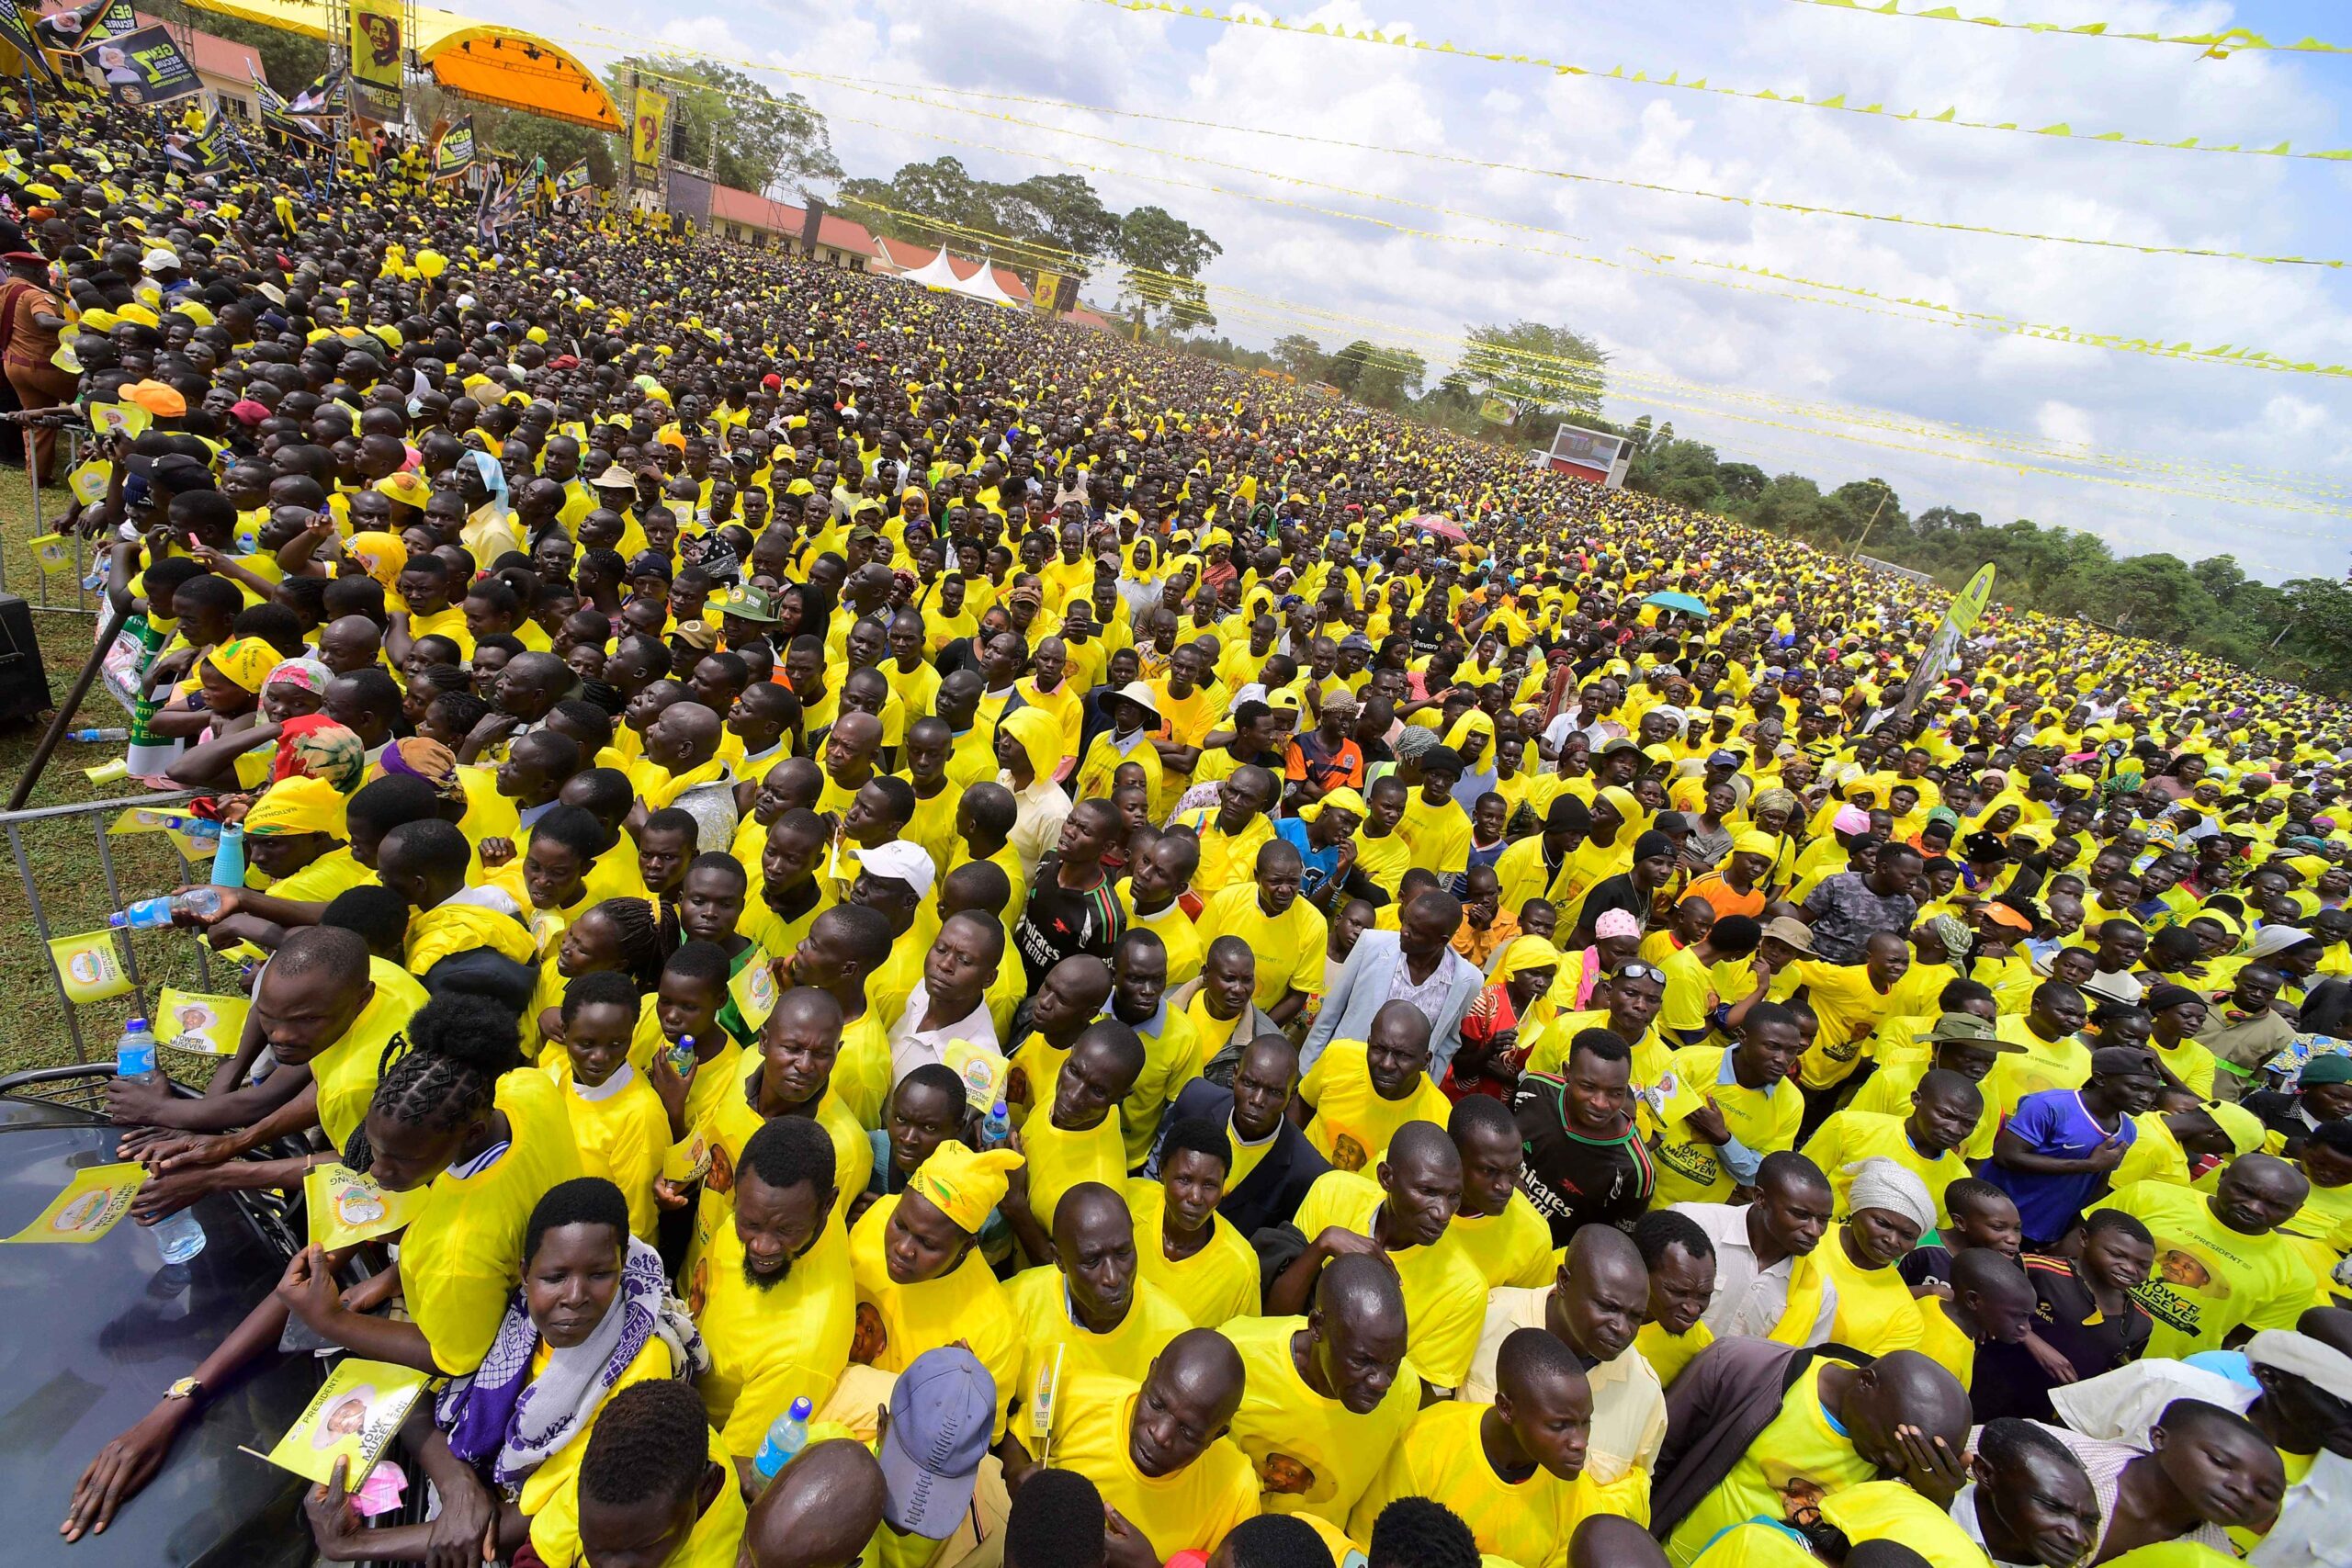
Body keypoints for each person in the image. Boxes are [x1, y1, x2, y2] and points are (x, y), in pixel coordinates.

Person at [1653, 1343, 1973, 1567]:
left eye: (1908, 1455)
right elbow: (1653, 1459)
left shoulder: (1895, 1471)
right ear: (1865, 1382)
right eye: (1893, 1443)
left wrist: (1932, 1498)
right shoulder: (1750, 1369)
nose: (1892, 1461)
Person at [1462, 1224, 1668, 1520]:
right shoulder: (1487, 1317)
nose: (1622, 1328)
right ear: (1564, 1282)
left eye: (1635, 1316)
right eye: (1607, 1307)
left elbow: (1627, 1502)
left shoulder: (1646, 1397)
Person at [690, 1116, 854, 1488]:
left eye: (784, 1231)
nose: (762, 1246)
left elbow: (728, 1467)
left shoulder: (801, 1350)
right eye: (748, 1223)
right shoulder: (804, 1209)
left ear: (827, 1205)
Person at [1348, 1327, 1599, 1566]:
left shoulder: (1578, 1497)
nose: (1580, 1442)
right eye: (1559, 1426)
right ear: (1506, 1408)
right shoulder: (1425, 1443)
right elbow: (1370, 1551)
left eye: (1585, 1422)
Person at [1273, 1120, 1489, 1392]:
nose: (1443, 1213)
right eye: (1428, 1192)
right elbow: (1274, 1316)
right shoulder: (1334, 1193)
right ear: (1386, 1178)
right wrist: (1322, 1245)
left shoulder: (1465, 1289)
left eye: (1454, 1196)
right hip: (1282, 1372)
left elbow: (1413, 1394)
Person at [1012, 1330, 1257, 1562]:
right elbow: (1017, 1440)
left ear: (1217, 1435)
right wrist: (1018, 1475)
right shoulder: (1078, 1397)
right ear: (1150, 1373)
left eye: (1187, 1431)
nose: (1161, 1436)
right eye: (1157, 1404)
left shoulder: (1236, 1490)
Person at [1219, 1252, 1421, 1525]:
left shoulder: (1405, 1389)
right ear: (1317, 1327)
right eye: (1363, 1361)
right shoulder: (1237, 1354)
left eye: (1394, 1362)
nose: (1382, 1381)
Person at [848, 1141, 1024, 1440]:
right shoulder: (878, 1217)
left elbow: (978, 1440)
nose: (903, 1249)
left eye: (927, 1244)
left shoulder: (993, 1329)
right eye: (900, 1225)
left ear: (967, 1247)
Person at [2094, 1155, 2316, 1359]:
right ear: (2222, 1176)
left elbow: (2239, 1347)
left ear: (2297, 1210)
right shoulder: (2148, 1196)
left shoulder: (2294, 1278)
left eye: (2275, 1205)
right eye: (2246, 1192)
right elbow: (2075, 1246)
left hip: (2154, 1378)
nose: (2254, 1207)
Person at [1987, 1045, 2166, 1249]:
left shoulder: (2128, 1130)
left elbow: (2099, 1183)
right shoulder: (2048, 1106)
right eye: (2135, 1088)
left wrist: (2073, 1233)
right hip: (1996, 1219)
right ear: (2100, 1079)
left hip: (2048, 1232)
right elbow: (2006, 1156)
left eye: (2153, 1092)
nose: (2146, 1098)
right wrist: (2088, 1165)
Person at [1152, 1033, 1332, 1235]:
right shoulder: (1195, 1101)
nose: (1257, 1100)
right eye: (1249, 1083)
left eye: (1274, 1092)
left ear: (1291, 1097)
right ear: (1234, 1075)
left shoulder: (1306, 1171)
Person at [1304, 888, 1484, 1082]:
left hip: (1397, 1092)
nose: (1404, 931)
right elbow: (1330, 1013)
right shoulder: (1371, 944)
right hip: (1341, 1073)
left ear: (1441, 941)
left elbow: (1448, 1042)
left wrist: (1427, 1085)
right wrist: (1305, 1071)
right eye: (1406, 921)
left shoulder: (1467, 980)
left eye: (1416, 931)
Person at [1673, 1151, 1839, 1346]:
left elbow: (1796, 1365)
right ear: (1760, 1198)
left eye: (1823, 1220)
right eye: (1800, 1214)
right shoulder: (1691, 1226)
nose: (1814, 1231)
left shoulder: (1820, 1295)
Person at [1516, 1027, 1657, 1243]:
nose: (1601, 1103)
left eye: (1615, 1092)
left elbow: (1612, 1243)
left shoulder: (1636, 1171)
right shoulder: (1535, 1088)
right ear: (1567, 1073)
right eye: (1588, 1087)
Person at [1129, 1118, 1262, 1328]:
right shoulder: (1130, 1203)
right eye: (1184, 1180)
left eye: (1210, 1185)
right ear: (1162, 1171)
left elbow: (1240, 1345)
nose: (1196, 1197)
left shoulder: (1240, 1267)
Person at [1816, 1157, 1939, 1358]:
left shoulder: (1904, 1315)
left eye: (1907, 1236)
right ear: (1856, 1209)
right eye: (1882, 1223)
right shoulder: (1807, 1241)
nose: (1892, 1240)